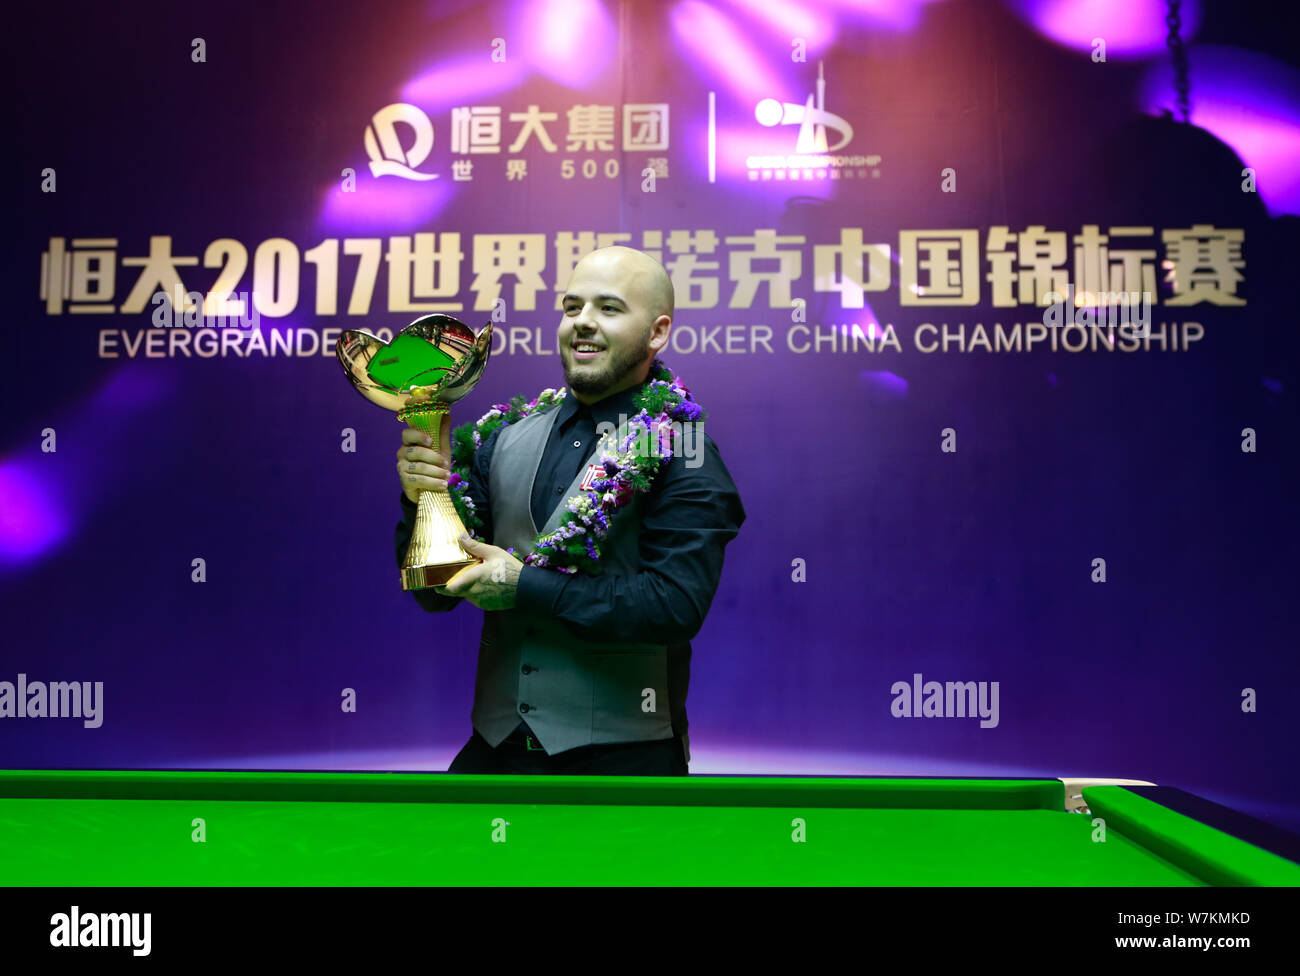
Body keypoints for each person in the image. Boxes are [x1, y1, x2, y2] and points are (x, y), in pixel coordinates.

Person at [393, 246, 746, 774]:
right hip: (493, 754)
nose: (582, 323)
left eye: (609, 308)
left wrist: (524, 587)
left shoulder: (682, 445)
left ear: (657, 332)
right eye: (571, 306)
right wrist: (426, 495)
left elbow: (674, 606)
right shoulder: (502, 439)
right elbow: (435, 593)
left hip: (623, 765)